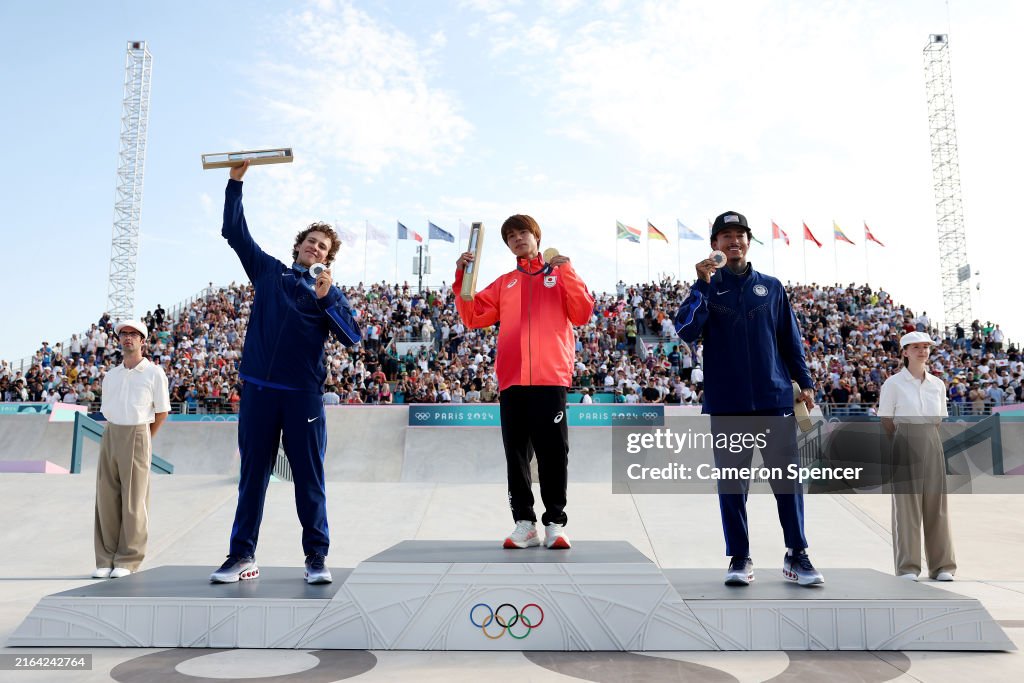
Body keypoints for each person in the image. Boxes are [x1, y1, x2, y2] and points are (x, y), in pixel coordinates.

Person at [210, 160, 361, 585]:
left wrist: (327, 298)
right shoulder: (269, 271)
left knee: (308, 479)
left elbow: (352, 338)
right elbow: (234, 233)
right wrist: (235, 183)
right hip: (259, 390)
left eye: (323, 248)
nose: (315, 248)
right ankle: (241, 556)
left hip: (302, 396)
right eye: (311, 242)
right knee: (252, 477)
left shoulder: (330, 294)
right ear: (299, 245)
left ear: (328, 259)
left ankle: (316, 557)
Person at [674, 210, 823, 587]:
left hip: (774, 401)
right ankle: (739, 558)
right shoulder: (706, 287)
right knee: (732, 486)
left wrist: (803, 381)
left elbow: (790, 340)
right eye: (725, 236)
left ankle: (797, 555)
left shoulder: (771, 287)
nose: (733, 241)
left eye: (739, 235)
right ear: (714, 245)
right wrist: (703, 284)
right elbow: (688, 331)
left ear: (748, 242)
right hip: (727, 404)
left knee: (788, 483)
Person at [455, 214, 594, 550]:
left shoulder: (559, 275)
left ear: (536, 237)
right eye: (511, 236)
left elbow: (582, 313)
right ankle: (525, 522)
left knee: (553, 453)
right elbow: (472, 316)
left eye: (523, 233)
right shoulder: (505, 283)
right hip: (513, 380)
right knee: (516, 454)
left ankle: (555, 523)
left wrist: (567, 271)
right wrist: (463, 275)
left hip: (550, 378)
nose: (518, 239)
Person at [92, 320, 170, 579]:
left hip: (138, 432)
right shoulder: (111, 375)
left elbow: (161, 411)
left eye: (133, 334)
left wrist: (145, 438)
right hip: (111, 433)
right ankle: (105, 558)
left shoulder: (154, 372)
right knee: (106, 498)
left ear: (142, 340)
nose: (127, 338)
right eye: (123, 334)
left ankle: (128, 558)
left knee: (134, 501)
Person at [877, 331, 956, 581]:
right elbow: (886, 421)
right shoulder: (893, 384)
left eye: (926, 347)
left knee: (937, 506)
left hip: (931, 442)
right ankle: (908, 567)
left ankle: (942, 566)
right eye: (916, 347)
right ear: (905, 352)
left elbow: (937, 421)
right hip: (903, 440)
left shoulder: (938, 385)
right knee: (906, 507)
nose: (923, 351)